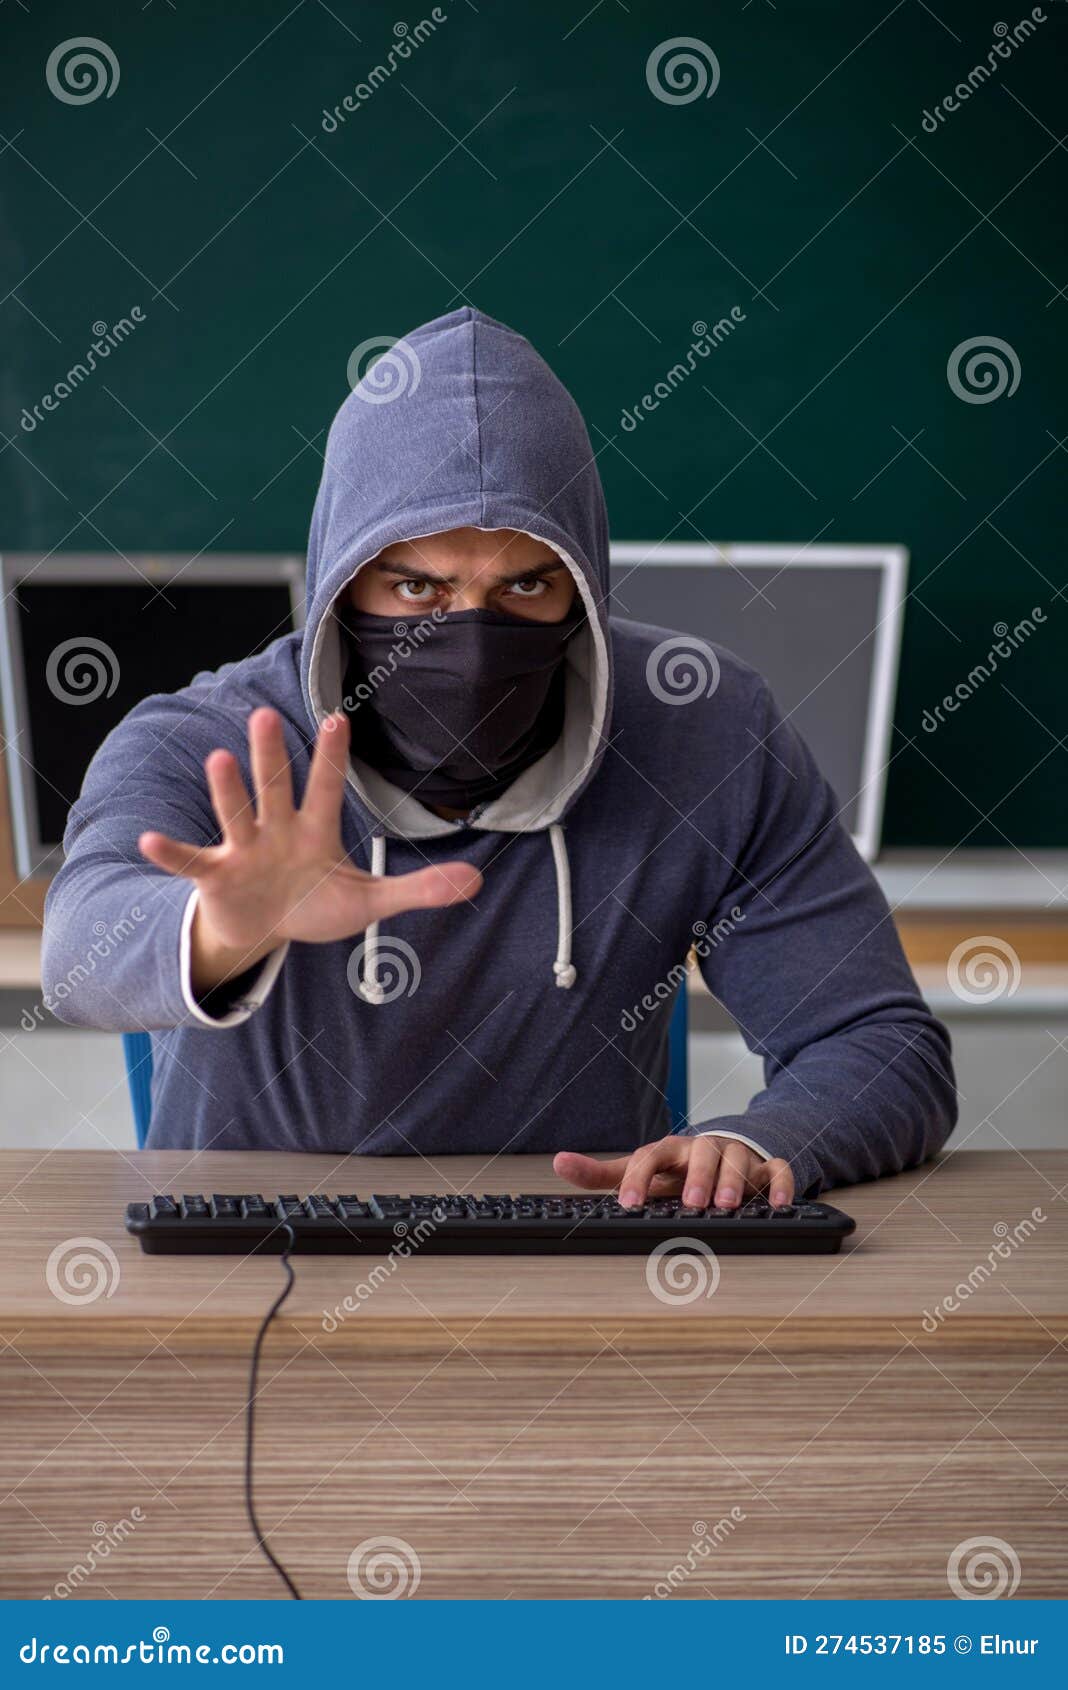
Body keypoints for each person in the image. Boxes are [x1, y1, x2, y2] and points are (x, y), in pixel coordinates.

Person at [42, 307, 956, 1210]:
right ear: (339, 583)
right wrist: (223, 927)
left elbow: (877, 1040)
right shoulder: (208, 740)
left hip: (581, 1277)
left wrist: (760, 1144)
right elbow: (78, 950)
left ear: (585, 586)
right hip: (256, 1280)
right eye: (416, 586)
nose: (469, 638)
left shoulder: (705, 732)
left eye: (525, 585)